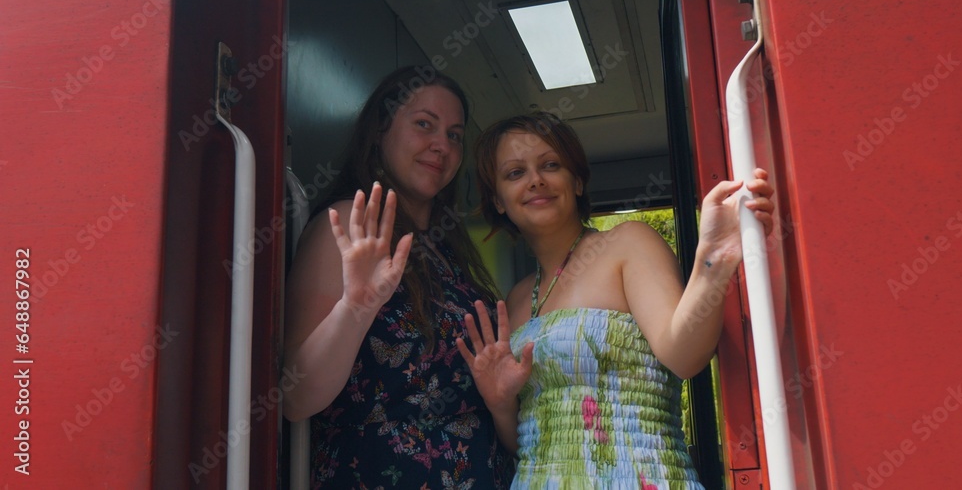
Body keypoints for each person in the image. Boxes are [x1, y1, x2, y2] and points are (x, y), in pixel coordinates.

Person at [457, 111, 775, 488]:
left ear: (576, 181)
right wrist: (500, 402)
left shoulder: (629, 243)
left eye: (550, 165)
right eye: (515, 173)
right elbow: (525, 442)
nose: (535, 180)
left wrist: (713, 263)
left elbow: (685, 356)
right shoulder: (517, 299)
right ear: (497, 200)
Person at [283, 66, 512, 488]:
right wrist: (357, 307)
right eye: (424, 124)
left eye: (454, 135)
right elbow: (296, 397)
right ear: (380, 131)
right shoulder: (348, 228)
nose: (441, 145)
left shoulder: (447, 250)